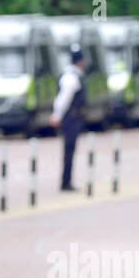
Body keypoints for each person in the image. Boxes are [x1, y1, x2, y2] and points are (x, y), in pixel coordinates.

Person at [50, 45, 86, 191]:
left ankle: (67, 181)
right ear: (79, 61)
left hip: (72, 119)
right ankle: (66, 182)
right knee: (68, 151)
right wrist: (56, 115)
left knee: (70, 151)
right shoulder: (71, 77)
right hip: (70, 119)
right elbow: (63, 99)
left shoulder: (74, 75)